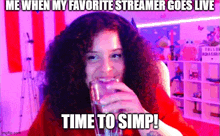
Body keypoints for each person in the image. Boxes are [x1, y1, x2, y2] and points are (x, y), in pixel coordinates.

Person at [28, 12, 198, 136]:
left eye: (116, 55)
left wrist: (141, 116)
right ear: (76, 63)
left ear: (129, 59)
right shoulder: (57, 105)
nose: (106, 68)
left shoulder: (150, 94)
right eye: (92, 57)